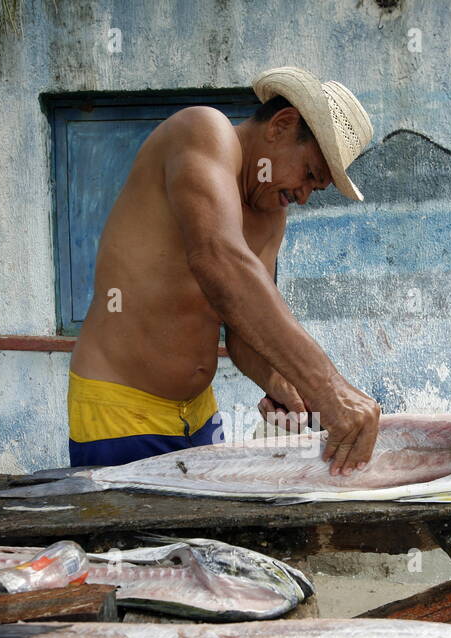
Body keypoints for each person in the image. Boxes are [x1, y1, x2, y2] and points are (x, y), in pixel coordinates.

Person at [68, 66, 381, 476]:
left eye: (314, 189)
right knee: (139, 541)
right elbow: (219, 260)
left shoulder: (271, 212)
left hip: (197, 415)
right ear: (281, 125)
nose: (303, 196)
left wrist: (286, 385)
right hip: (121, 412)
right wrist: (328, 389)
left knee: (203, 539)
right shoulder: (202, 130)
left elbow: (243, 326)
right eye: (308, 174)